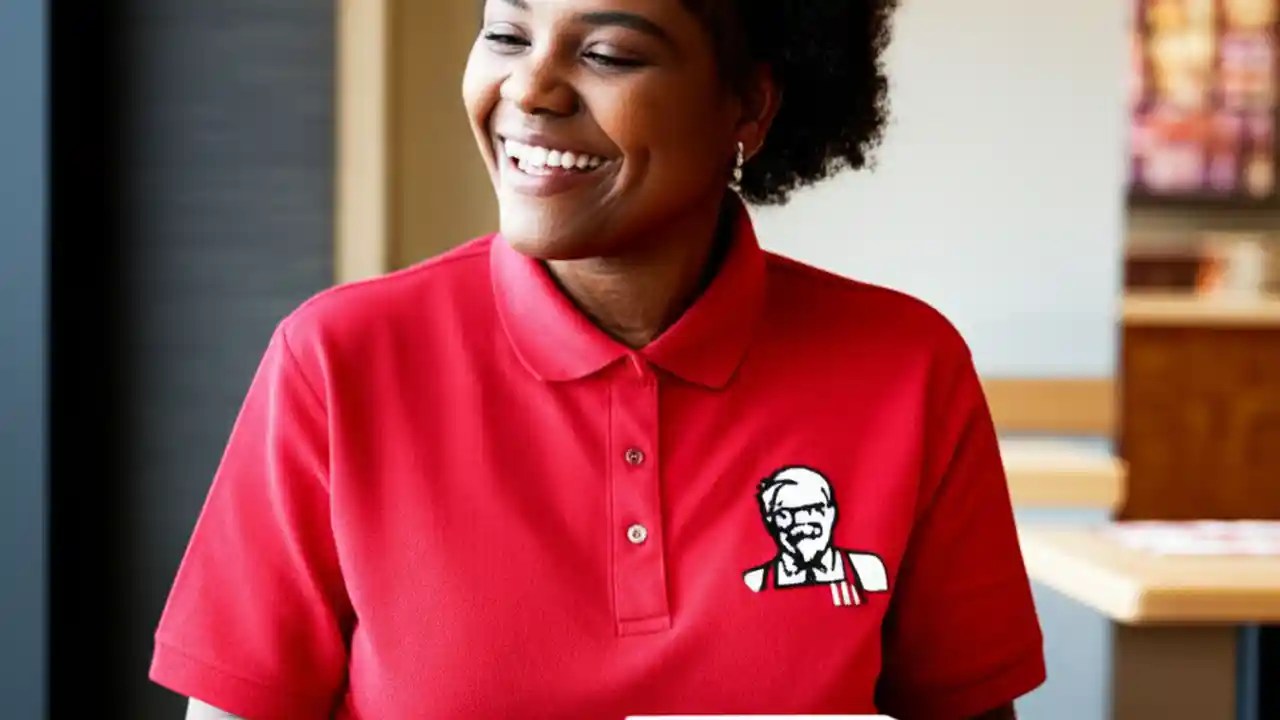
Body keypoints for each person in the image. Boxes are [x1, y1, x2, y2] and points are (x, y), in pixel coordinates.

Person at [154, 0, 1046, 718]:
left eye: (609, 54)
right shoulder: (338, 362)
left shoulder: (908, 370)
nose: (530, 88)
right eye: (507, 35)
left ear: (750, 105)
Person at [742, 465, 890, 607]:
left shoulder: (865, 569)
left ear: (832, 513)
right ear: (769, 521)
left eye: (814, 509)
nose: (801, 522)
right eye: (785, 514)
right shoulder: (755, 581)